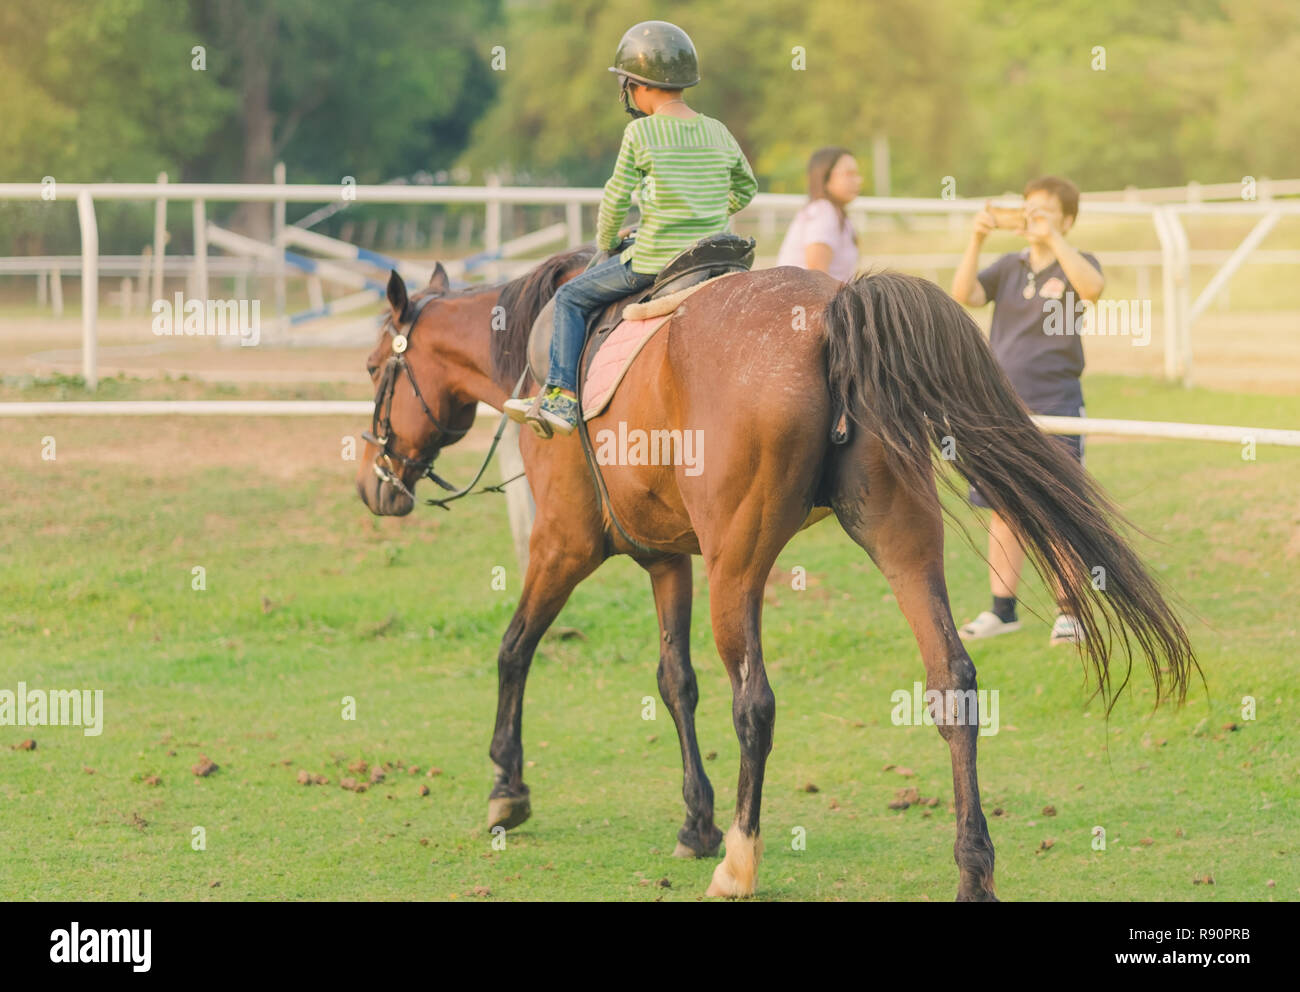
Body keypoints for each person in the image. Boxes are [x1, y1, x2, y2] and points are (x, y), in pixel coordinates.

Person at [505, 19, 758, 437]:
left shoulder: (640, 132)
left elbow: (615, 199)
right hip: (717, 256)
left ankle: (561, 399)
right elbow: (746, 188)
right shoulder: (718, 130)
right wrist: (706, 211)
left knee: (569, 297)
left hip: (658, 261)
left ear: (639, 86)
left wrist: (607, 241)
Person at [949, 175, 1105, 646]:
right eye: (1029, 209)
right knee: (1002, 509)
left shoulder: (1077, 262)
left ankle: (1070, 612)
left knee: (1058, 508)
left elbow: (1093, 289)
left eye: (1047, 211)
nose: (1034, 218)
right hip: (1000, 405)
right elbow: (964, 294)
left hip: (1056, 402)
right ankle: (1002, 610)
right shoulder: (1008, 267)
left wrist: (1054, 237)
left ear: (1069, 220)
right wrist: (976, 238)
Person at [776, 146, 861, 281]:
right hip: (803, 299)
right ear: (825, 177)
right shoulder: (823, 212)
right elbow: (816, 278)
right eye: (849, 174)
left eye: (857, 174)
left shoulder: (838, 214)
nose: (858, 180)